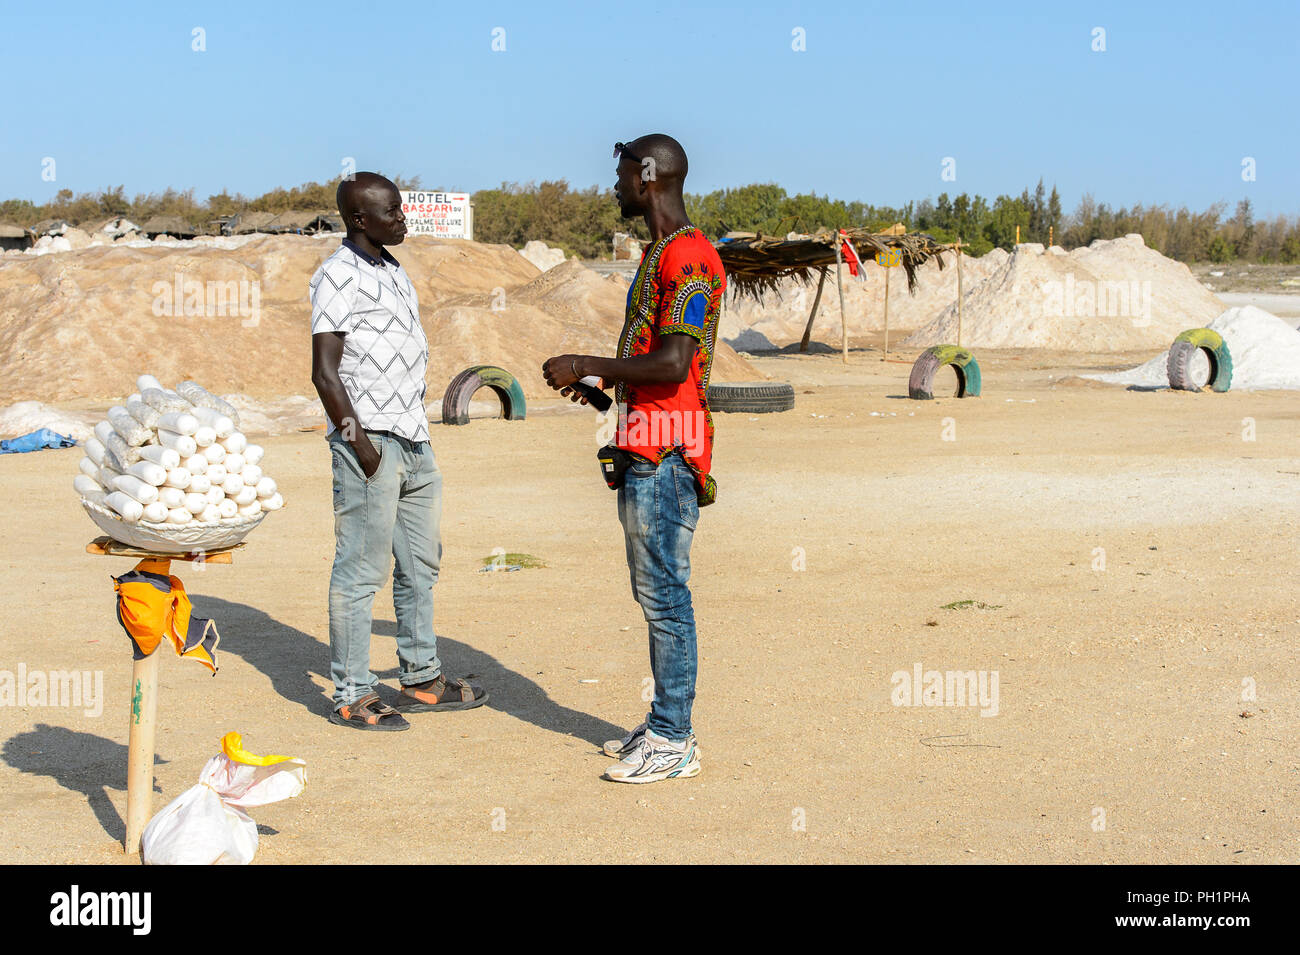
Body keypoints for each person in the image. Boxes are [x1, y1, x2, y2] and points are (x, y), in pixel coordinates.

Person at [543, 134, 724, 782]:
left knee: (666, 596)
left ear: (648, 177)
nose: (614, 186)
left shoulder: (692, 258)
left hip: (668, 453)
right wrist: (598, 389)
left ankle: (675, 737)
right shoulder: (660, 254)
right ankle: (662, 724)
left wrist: (589, 360)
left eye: (621, 175)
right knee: (654, 593)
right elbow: (654, 364)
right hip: (646, 442)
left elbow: (676, 360)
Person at [310, 171, 487, 731]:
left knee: (420, 565)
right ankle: (353, 693)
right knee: (361, 571)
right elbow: (324, 372)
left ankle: (421, 677)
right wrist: (359, 446)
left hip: (414, 442)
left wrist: (414, 442)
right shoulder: (336, 276)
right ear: (360, 219)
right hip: (372, 444)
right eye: (392, 212)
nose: (403, 218)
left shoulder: (392, 269)